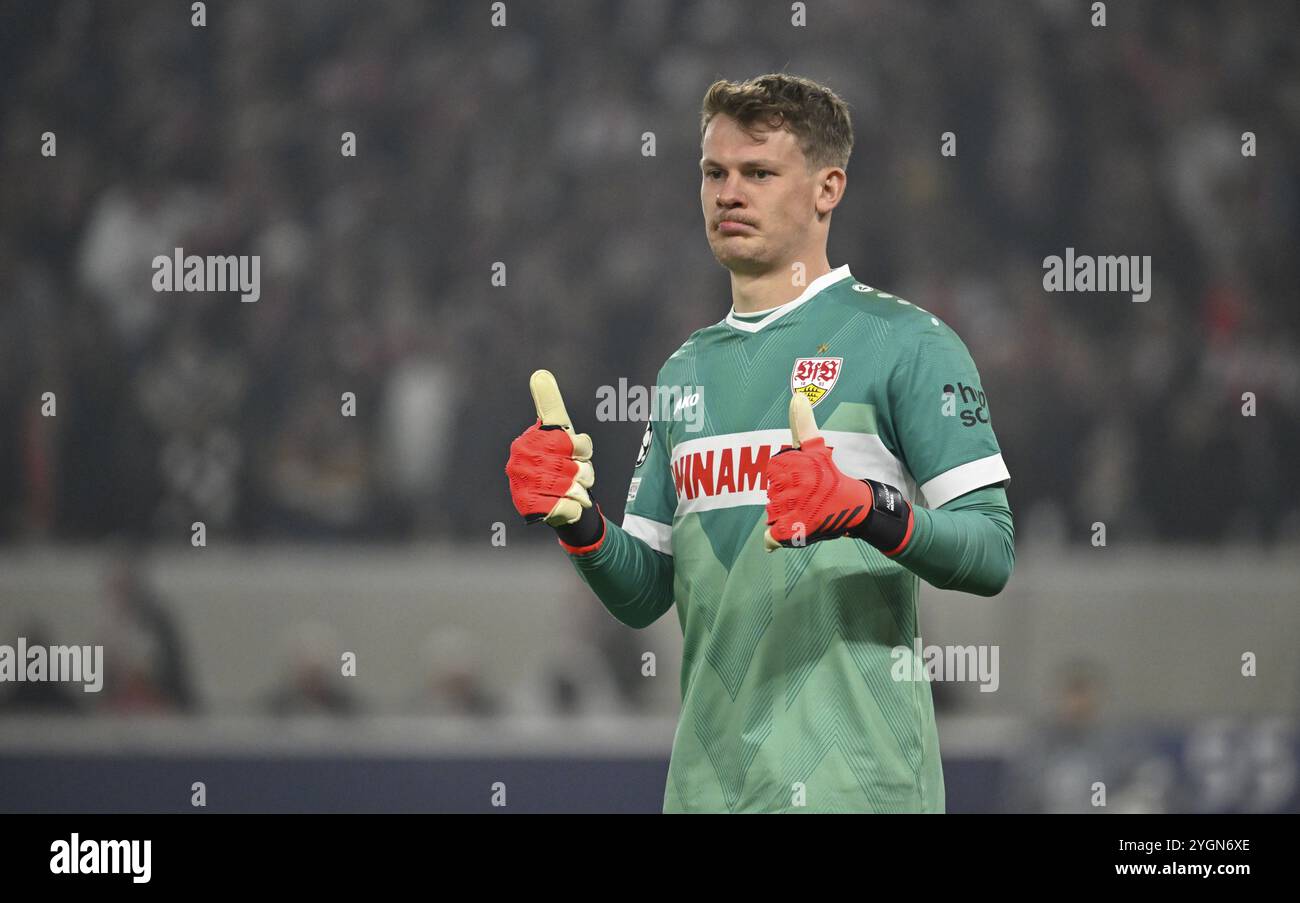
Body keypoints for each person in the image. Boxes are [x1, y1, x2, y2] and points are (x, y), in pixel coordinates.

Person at [505, 74, 1015, 813]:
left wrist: (865, 508)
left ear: (826, 188)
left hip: (859, 790)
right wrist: (575, 519)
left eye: (759, 172)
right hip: (708, 793)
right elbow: (645, 590)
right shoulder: (686, 370)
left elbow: (992, 551)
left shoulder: (905, 343)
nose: (728, 193)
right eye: (715, 172)